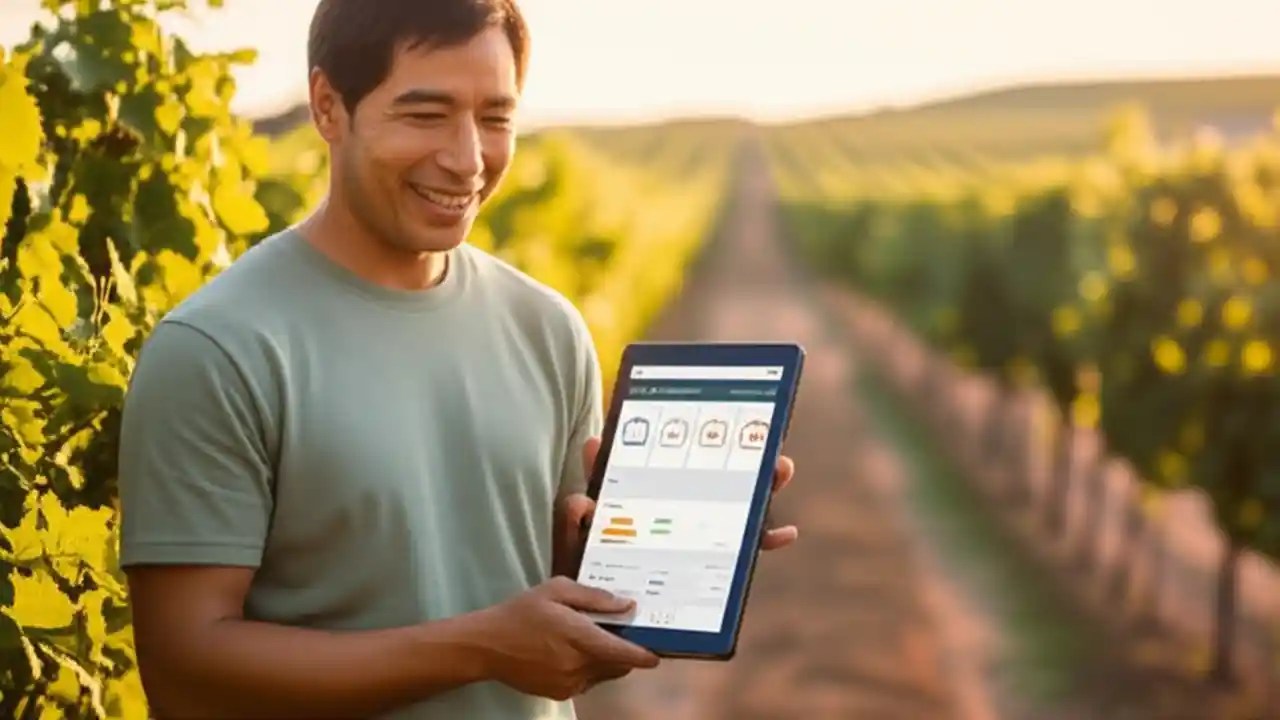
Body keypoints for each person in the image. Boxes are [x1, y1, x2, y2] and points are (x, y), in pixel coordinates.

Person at [116, 0, 800, 718]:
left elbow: (550, 628)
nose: (468, 158)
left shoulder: (549, 330)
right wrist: (480, 648)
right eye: (426, 115)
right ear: (327, 106)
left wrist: (670, 552)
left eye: (496, 117)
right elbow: (185, 671)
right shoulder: (219, 349)